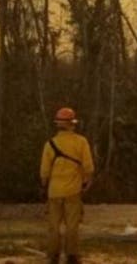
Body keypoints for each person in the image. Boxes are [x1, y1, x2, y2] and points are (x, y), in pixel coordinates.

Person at [40, 107, 95, 264]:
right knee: (72, 225)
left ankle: (53, 256)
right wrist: (87, 181)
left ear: (58, 124)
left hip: (54, 191)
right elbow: (88, 167)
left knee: (54, 225)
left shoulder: (49, 144)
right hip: (73, 190)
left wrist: (44, 187)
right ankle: (72, 255)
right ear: (72, 124)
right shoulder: (81, 142)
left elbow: (44, 171)